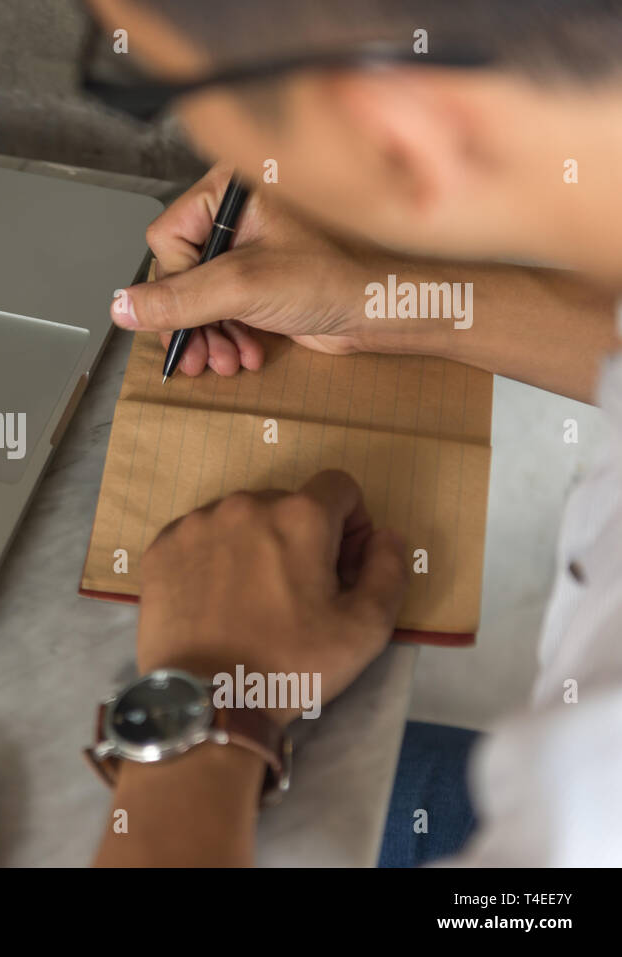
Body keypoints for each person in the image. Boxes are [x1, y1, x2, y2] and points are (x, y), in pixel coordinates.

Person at [86, 0, 622, 866]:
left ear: (397, 131)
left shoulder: (594, 798)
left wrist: (208, 702)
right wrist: (387, 299)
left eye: (139, 82)